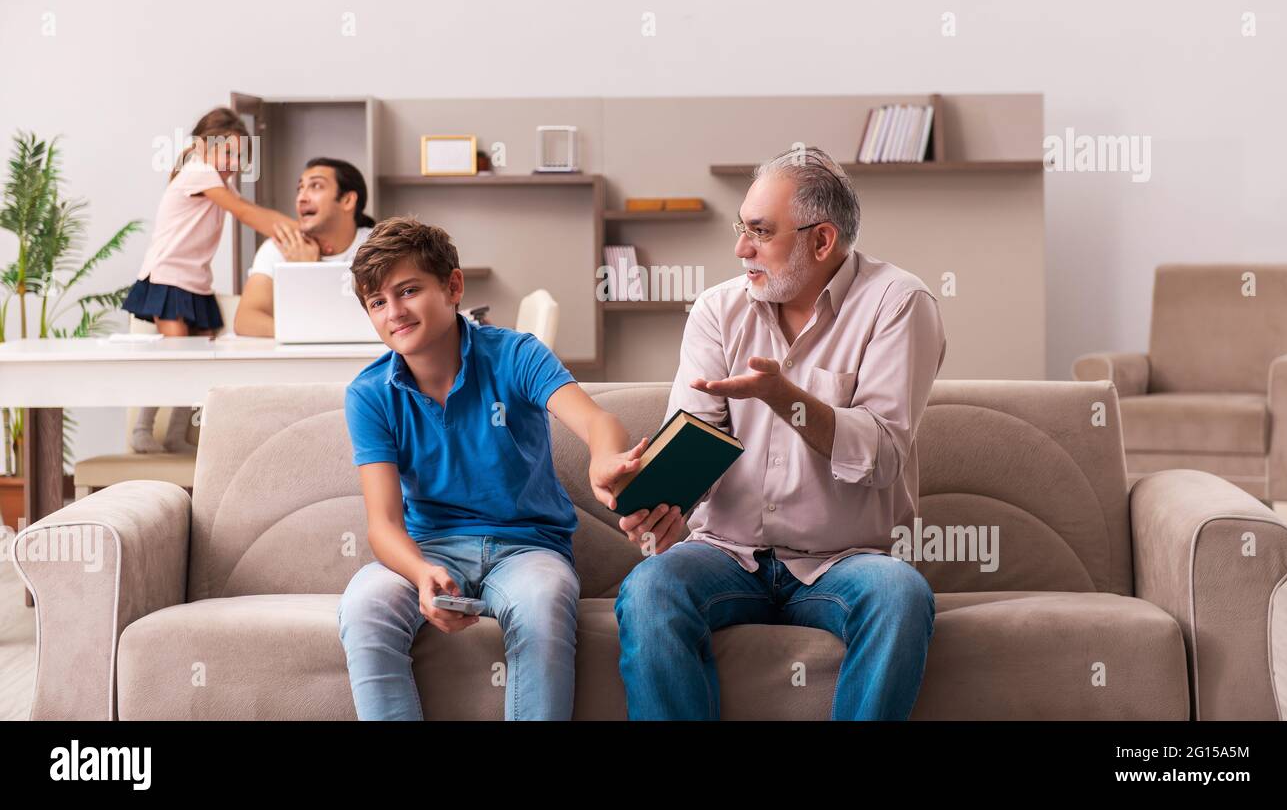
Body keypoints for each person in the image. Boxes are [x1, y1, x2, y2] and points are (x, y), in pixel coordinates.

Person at [609, 146, 948, 720]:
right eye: (742, 229)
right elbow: (695, 433)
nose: (741, 248)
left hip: (843, 559)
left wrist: (784, 398)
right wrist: (660, 500)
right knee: (649, 588)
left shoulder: (898, 303)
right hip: (725, 552)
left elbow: (884, 455)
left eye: (761, 232)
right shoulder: (718, 309)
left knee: (901, 595)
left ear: (822, 241)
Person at [336, 215, 649, 720]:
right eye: (377, 302)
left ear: (453, 286)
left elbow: (597, 422)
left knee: (544, 603)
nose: (394, 312)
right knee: (363, 606)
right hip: (429, 548)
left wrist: (606, 458)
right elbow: (384, 525)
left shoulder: (516, 355)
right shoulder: (370, 395)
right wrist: (420, 573)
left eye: (408, 290)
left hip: (529, 548)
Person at [123, 107, 296, 453]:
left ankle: (174, 433)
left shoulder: (217, 179)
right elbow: (245, 212)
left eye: (239, 154)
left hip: (195, 281)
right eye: (227, 151)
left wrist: (291, 229)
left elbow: (244, 205)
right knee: (177, 357)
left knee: (199, 360)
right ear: (203, 146)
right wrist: (294, 232)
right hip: (168, 278)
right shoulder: (198, 172)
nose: (233, 161)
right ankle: (141, 429)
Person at [232, 157, 375, 337]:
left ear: (347, 200)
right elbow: (246, 320)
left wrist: (311, 270)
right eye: (300, 188)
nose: (301, 198)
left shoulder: (376, 246)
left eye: (316, 186)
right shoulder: (277, 248)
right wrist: (304, 270)